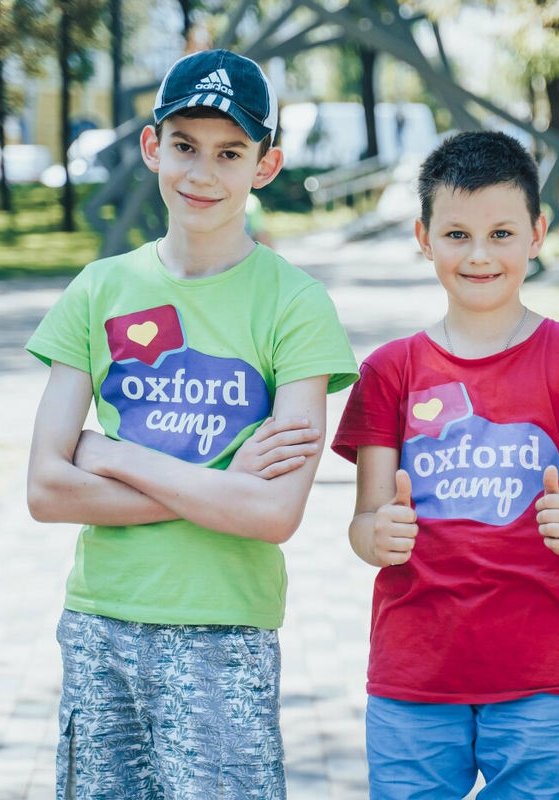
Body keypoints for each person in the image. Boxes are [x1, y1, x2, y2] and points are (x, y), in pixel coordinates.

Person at [25, 49, 358, 798]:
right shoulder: (100, 288)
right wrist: (220, 487)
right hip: (99, 623)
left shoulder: (295, 305)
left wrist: (110, 453)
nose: (202, 174)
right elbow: (46, 489)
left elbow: (273, 512)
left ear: (264, 165)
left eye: (229, 152)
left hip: (225, 632)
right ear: (152, 148)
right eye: (184, 146)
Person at [331, 131, 559, 799]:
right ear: (423, 237)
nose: (480, 255)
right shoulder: (390, 371)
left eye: (502, 233)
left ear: (537, 233)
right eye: (457, 235)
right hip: (414, 675)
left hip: (541, 673)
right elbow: (364, 525)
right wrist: (375, 536)